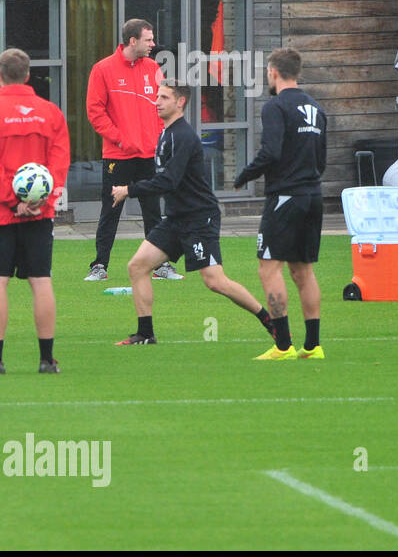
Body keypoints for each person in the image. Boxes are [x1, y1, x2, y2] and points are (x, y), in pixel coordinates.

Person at [110, 83, 276, 348]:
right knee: (137, 266)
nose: (157, 101)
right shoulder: (166, 134)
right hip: (176, 218)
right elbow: (166, 180)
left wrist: (128, 190)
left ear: (181, 102)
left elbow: (169, 181)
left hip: (199, 218)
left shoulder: (183, 136)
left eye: (164, 97)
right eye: (156, 97)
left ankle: (270, 321)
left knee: (215, 281)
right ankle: (145, 334)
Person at [0, 48, 70, 375]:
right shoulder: (51, 113)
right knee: (41, 281)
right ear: (28, 76)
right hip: (39, 216)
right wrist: (42, 201)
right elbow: (59, 163)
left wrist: (13, 202)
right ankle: (46, 361)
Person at [233, 48, 327, 360]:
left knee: (268, 268)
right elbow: (321, 159)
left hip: (286, 197)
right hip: (313, 195)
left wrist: (245, 175)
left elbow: (270, 151)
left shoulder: (275, 107)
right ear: (296, 72)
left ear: (273, 72)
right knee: (303, 271)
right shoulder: (316, 108)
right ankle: (313, 347)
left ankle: (283, 346)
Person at [85, 18, 182, 282]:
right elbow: (95, 112)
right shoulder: (102, 69)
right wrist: (120, 140)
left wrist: (163, 139)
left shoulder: (152, 68)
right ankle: (99, 266)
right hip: (118, 155)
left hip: (149, 154)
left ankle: (161, 266)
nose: (153, 44)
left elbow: (162, 106)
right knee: (111, 210)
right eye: (149, 39)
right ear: (132, 41)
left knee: (152, 211)